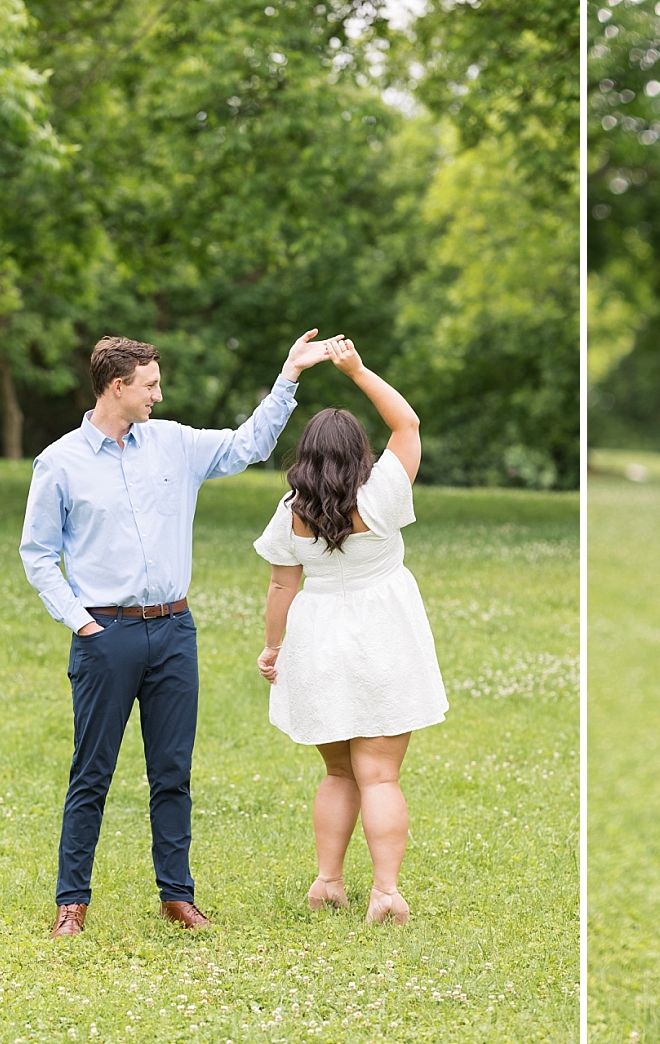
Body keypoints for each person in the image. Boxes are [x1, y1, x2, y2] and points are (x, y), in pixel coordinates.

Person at [20, 330, 333, 937]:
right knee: (92, 772)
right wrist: (81, 620)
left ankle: (177, 896)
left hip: (173, 632)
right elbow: (37, 555)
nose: (159, 395)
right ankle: (72, 903)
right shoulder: (59, 462)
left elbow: (249, 445)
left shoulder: (175, 445)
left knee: (172, 771)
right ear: (118, 387)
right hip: (104, 634)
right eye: (150, 385)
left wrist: (289, 375)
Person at [253, 335, 446, 925]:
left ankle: (328, 882)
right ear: (360, 450)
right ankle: (385, 893)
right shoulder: (384, 490)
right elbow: (407, 422)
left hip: (319, 640)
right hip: (385, 632)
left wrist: (272, 648)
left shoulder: (293, 508)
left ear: (306, 456)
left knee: (338, 772)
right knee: (380, 774)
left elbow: (282, 588)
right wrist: (358, 370)